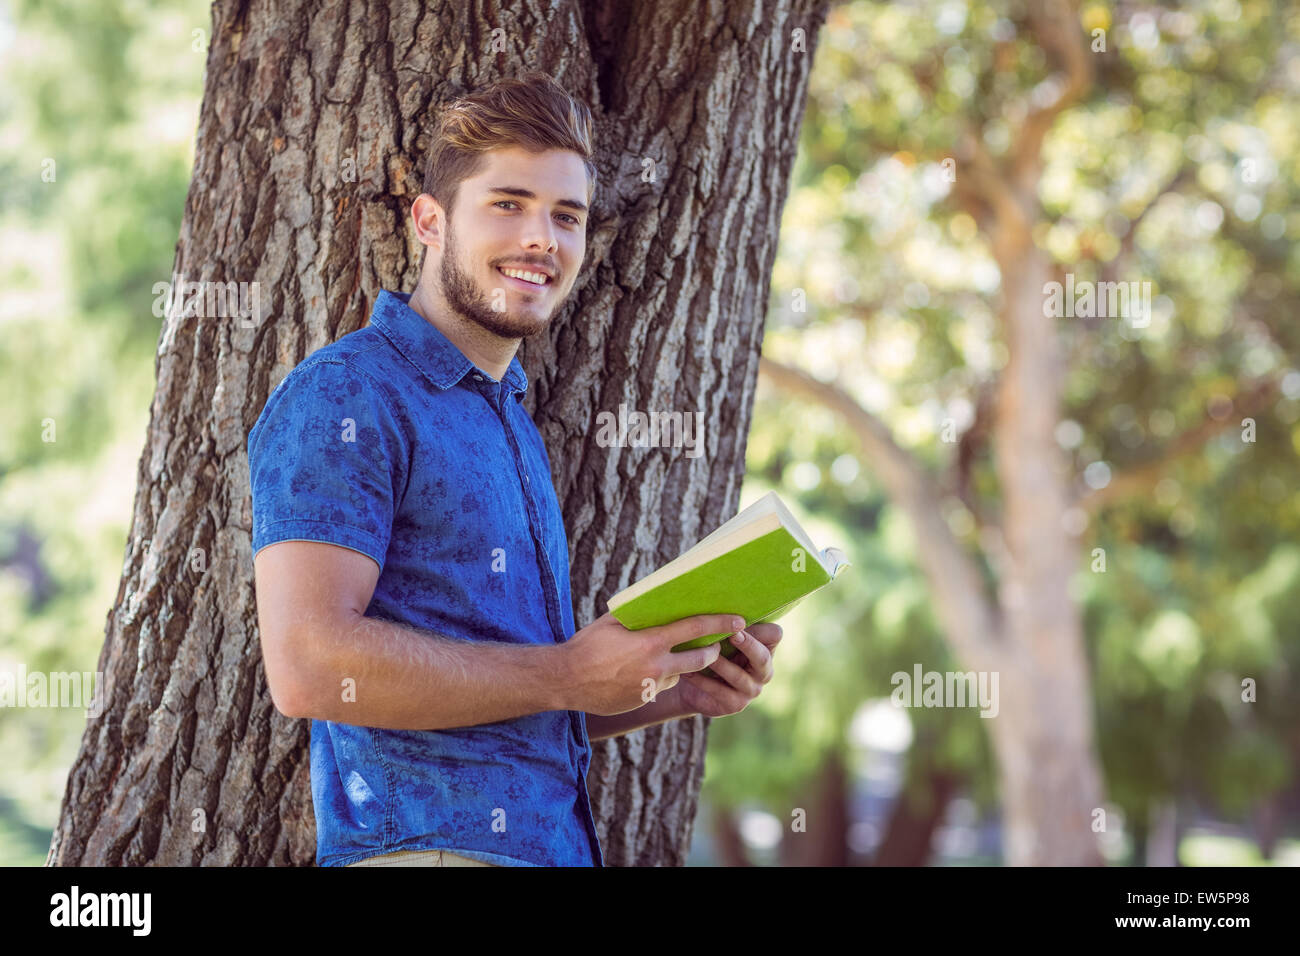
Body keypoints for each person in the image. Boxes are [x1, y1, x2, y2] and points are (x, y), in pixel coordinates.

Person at [247, 72, 781, 868]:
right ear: (431, 221)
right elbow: (309, 665)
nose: (543, 238)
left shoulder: (509, 419)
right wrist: (568, 671)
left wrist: (662, 687)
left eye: (566, 216)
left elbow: (515, 686)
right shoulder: (348, 392)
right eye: (509, 203)